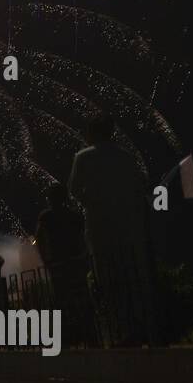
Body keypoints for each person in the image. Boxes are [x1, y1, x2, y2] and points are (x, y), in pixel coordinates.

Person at [68, 113, 154, 345]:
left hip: (99, 227)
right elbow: (140, 186)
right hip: (128, 226)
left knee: (108, 279)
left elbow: (74, 189)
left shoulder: (83, 157)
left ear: (92, 133)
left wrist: (91, 202)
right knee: (133, 277)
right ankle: (141, 327)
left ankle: (120, 331)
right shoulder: (126, 157)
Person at [35, 183, 96, 346]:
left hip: (59, 264)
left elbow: (39, 239)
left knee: (62, 301)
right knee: (81, 299)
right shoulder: (74, 216)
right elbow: (84, 238)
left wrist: (46, 260)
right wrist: (84, 257)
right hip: (74, 262)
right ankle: (89, 336)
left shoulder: (47, 217)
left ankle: (68, 337)